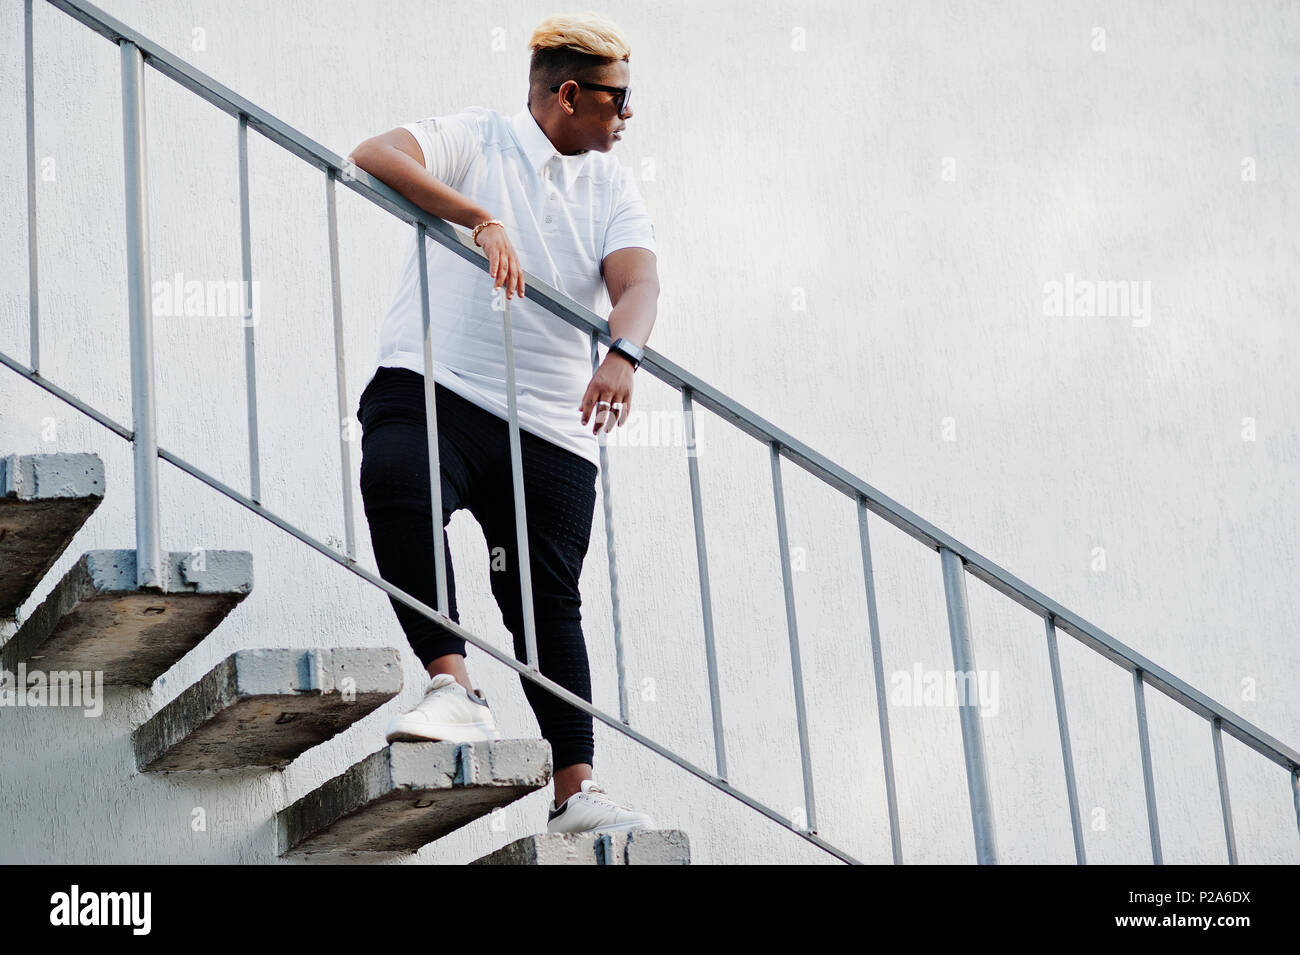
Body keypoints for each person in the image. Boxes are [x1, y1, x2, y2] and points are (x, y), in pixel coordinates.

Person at [348, 12, 660, 835]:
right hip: (435, 382)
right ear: (569, 94)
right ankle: (454, 685)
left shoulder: (615, 187)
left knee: (543, 600)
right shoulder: (479, 138)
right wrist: (480, 217)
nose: (629, 117)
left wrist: (622, 355)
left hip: (554, 423)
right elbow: (376, 153)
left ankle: (576, 789)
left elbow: (638, 285)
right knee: (395, 480)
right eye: (619, 101)